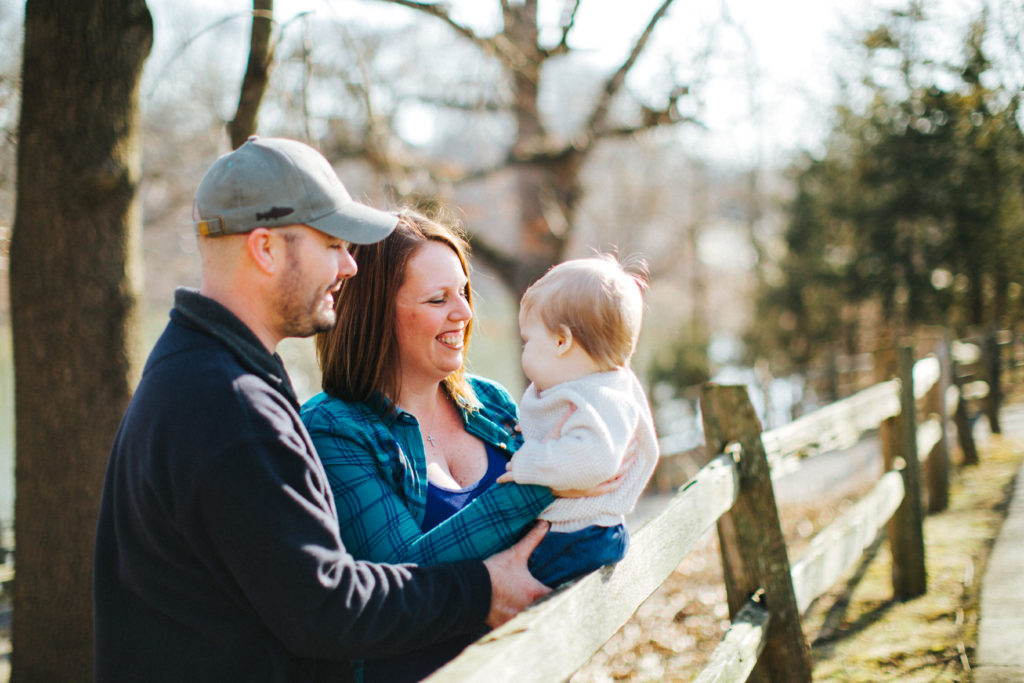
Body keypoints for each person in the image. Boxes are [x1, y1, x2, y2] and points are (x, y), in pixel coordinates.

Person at [93, 136, 550, 683]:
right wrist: (481, 588)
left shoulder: (198, 371)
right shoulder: (229, 405)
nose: (349, 266)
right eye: (332, 243)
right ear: (265, 249)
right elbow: (328, 607)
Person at [301, 209, 618, 682]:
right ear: (375, 315)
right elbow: (399, 578)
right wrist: (557, 476)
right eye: (437, 299)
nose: (465, 313)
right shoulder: (332, 427)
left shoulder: (491, 403)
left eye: (464, 292)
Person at [495, 254, 659, 588]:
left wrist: (529, 463)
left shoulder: (603, 397)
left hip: (579, 537)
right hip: (574, 533)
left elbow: (595, 460)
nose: (525, 350)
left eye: (528, 341)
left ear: (561, 341)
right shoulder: (584, 389)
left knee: (514, 597)